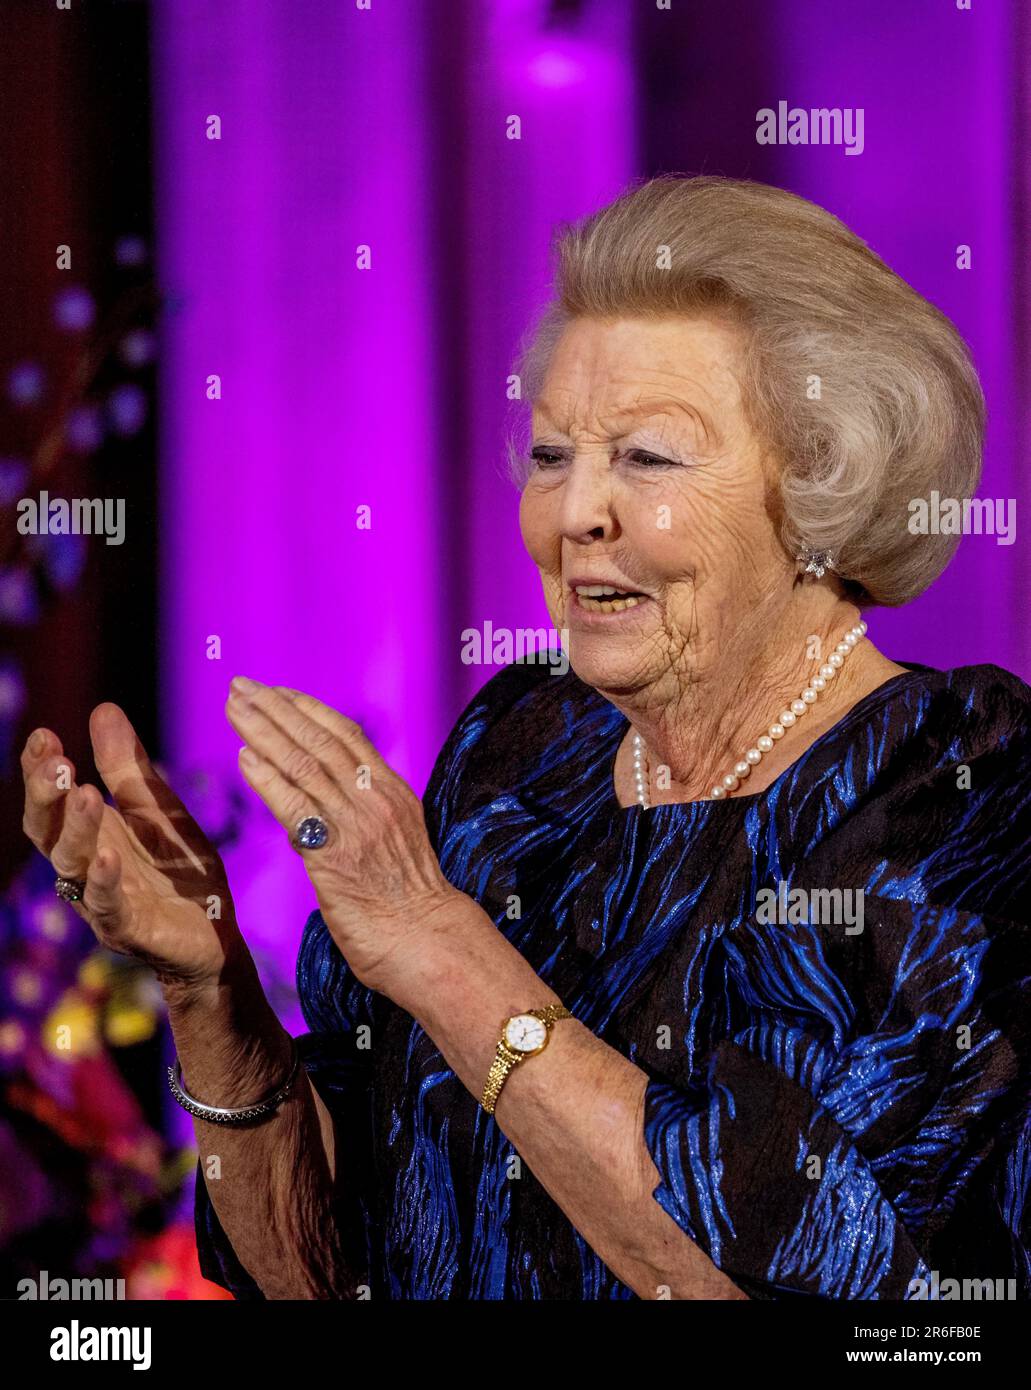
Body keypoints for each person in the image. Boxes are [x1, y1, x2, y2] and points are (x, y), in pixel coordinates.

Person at [20, 175, 1031, 1300]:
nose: (572, 515)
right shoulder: (519, 758)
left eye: (645, 458)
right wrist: (208, 985)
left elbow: (795, 1281)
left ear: (819, 491)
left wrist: (440, 947)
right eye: (553, 456)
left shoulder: (960, 789)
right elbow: (321, 1272)